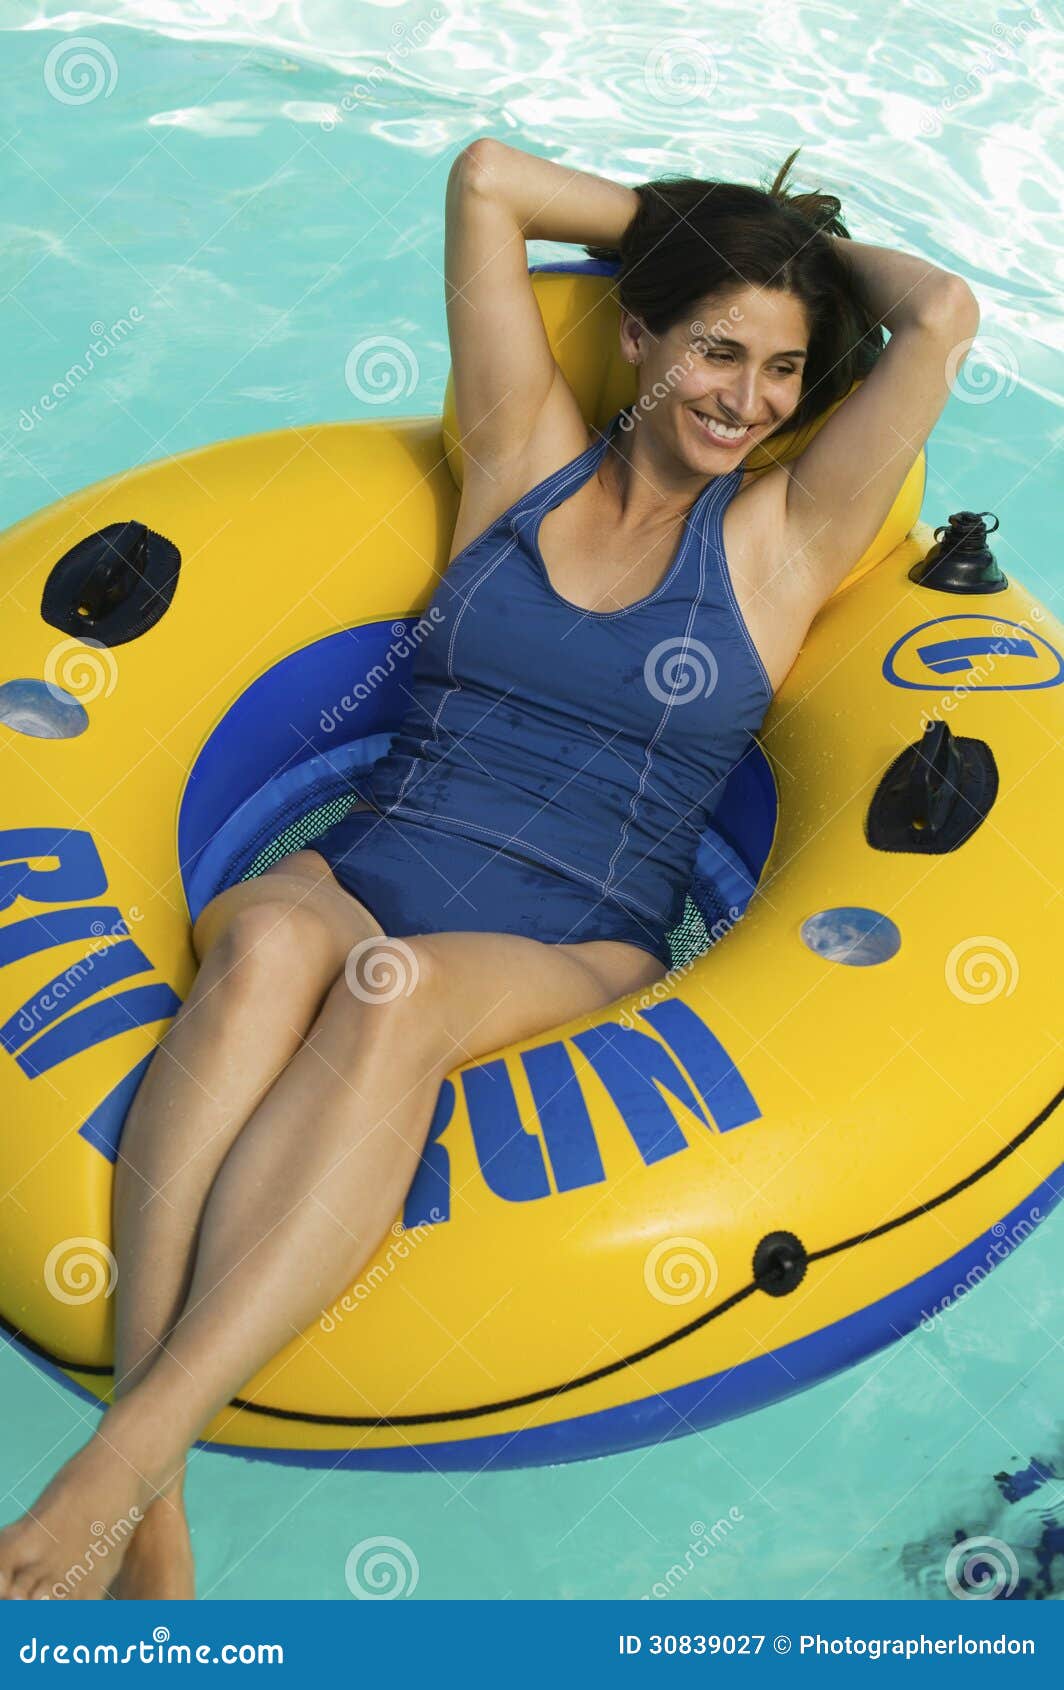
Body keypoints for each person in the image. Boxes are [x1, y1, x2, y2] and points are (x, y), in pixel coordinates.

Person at [0, 138, 978, 1601]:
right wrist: (693, 231)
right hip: (373, 854)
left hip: (577, 931)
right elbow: (485, 184)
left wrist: (790, 257)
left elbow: (944, 316)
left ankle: (119, 1459)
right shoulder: (518, 458)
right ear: (635, 335)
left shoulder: (779, 539)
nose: (748, 399)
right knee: (267, 945)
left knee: (390, 997)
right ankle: (154, 1496)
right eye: (715, 346)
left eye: (781, 371)